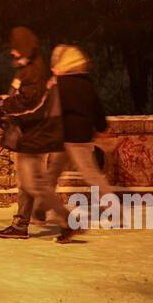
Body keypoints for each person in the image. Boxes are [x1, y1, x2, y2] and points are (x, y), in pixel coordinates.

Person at [0, 27, 77, 241]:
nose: (12, 53)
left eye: (15, 49)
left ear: (24, 48)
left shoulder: (34, 71)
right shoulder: (28, 69)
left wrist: (0, 106)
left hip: (35, 135)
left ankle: (66, 221)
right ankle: (21, 224)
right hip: (30, 134)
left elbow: (30, 104)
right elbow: (24, 99)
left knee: (33, 184)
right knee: (27, 183)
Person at [50, 44, 115, 202]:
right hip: (82, 135)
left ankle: (115, 210)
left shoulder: (60, 84)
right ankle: (40, 209)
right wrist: (102, 128)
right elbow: (96, 107)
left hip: (67, 135)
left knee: (56, 174)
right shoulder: (85, 83)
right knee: (90, 174)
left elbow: (53, 110)